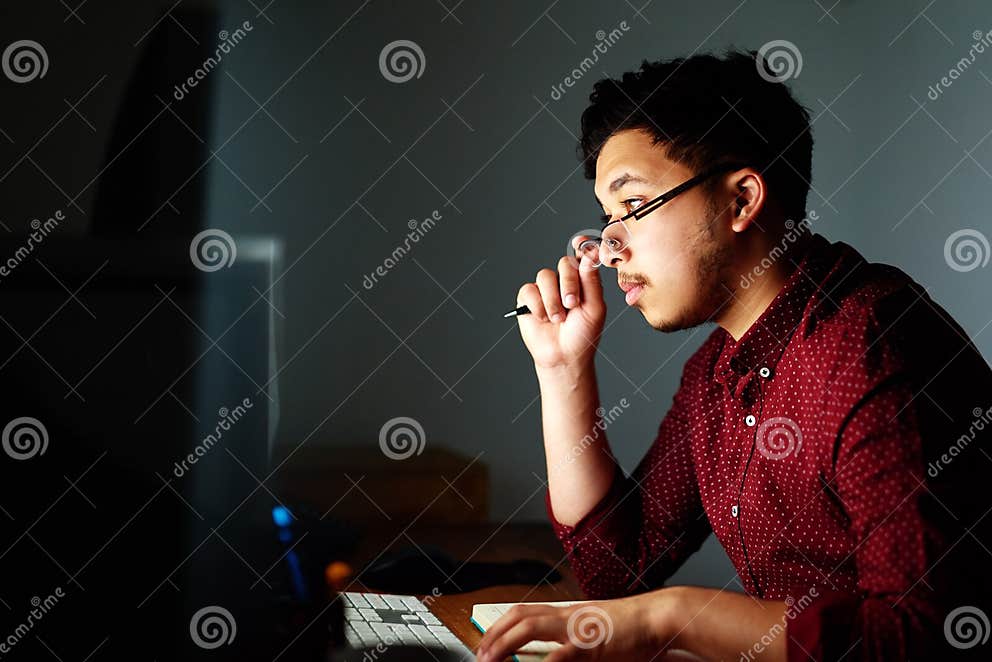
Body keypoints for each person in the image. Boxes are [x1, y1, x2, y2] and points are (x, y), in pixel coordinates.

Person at [477, 50, 992, 661]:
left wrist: (676, 616)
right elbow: (618, 571)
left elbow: (920, 637)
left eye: (633, 207)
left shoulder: (871, 343)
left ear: (742, 199)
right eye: (606, 218)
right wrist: (562, 370)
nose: (608, 248)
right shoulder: (717, 371)